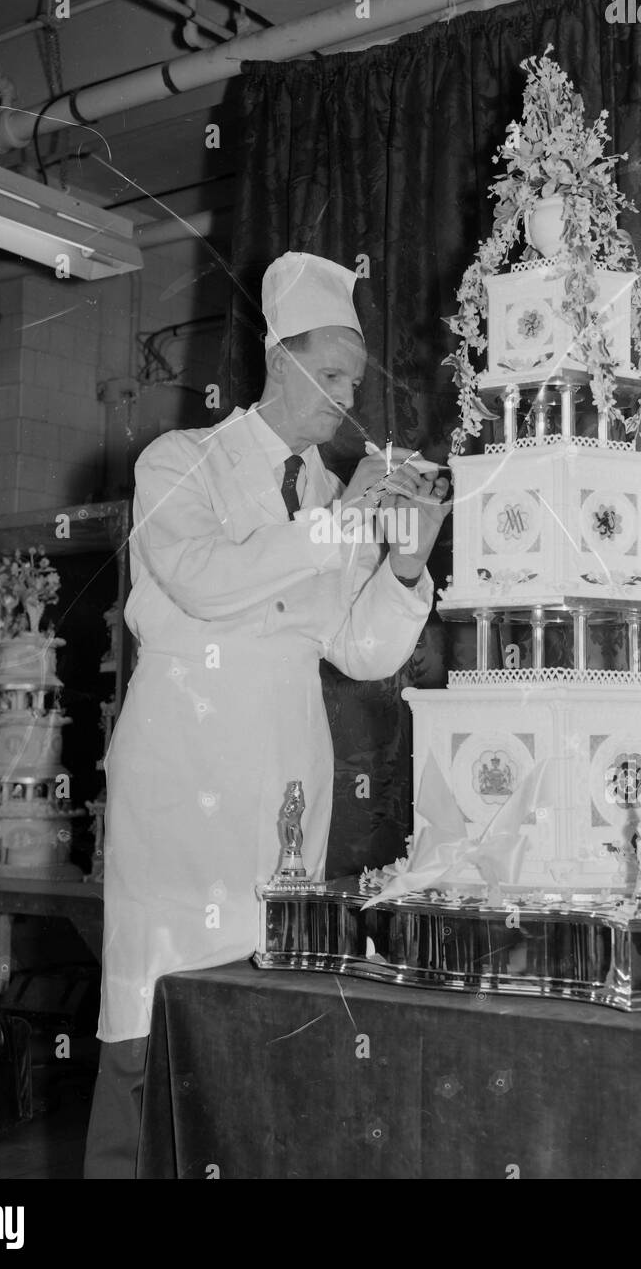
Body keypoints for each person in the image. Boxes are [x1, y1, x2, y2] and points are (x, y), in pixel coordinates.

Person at [84, 251, 450, 1177]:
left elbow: (358, 650)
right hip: (187, 767)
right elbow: (206, 585)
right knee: (151, 1021)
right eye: (328, 375)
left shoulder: (327, 494)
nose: (343, 398)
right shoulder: (182, 460)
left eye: (354, 381)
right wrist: (338, 526)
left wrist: (405, 564)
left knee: (257, 1021)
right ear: (276, 361)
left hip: (288, 772)